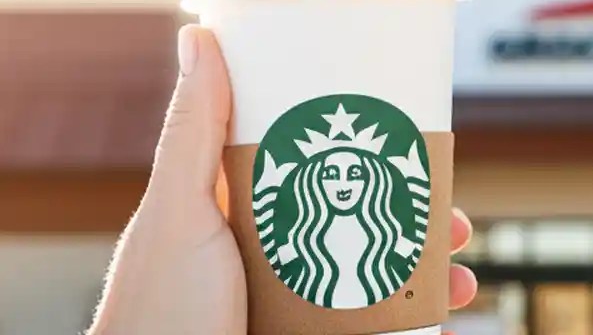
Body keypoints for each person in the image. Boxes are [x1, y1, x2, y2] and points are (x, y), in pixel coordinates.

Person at [87, 26, 478, 334]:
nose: (343, 184)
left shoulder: (389, 243)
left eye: (356, 173)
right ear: (313, 182)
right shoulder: (299, 246)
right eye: (330, 173)